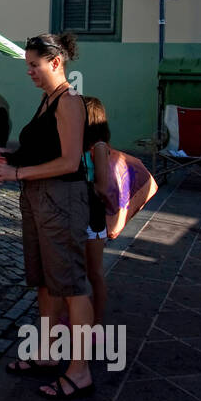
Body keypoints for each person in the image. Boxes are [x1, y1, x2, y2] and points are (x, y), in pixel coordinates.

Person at [0, 32, 95, 400]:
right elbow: (42, 149)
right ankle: (49, 354)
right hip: (39, 200)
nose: (30, 72)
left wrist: (16, 173)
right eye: (28, 66)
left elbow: (68, 162)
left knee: (71, 284)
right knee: (47, 281)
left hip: (61, 201)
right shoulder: (47, 99)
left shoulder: (68, 101)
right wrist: (11, 155)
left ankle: (80, 371)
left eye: (35, 65)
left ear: (56, 62)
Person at [82, 96, 114, 324]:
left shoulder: (99, 147)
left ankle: (97, 321)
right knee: (76, 272)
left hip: (93, 217)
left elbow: (102, 187)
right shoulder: (79, 145)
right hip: (77, 214)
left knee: (94, 272)